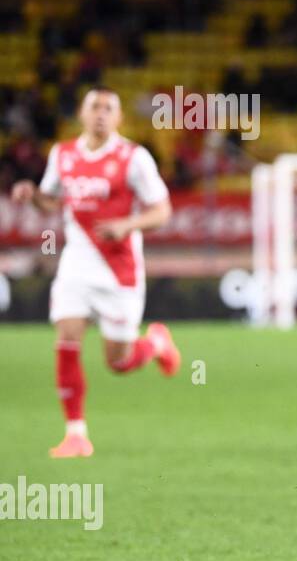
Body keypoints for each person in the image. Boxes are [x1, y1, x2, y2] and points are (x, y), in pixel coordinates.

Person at [9, 87, 181, 458]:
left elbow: (163, 210)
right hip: (77, 262)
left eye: (109, 108)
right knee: (66, 338)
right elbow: (51, 202)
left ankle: (155, 344)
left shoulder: (134, 158)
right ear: (82, 114)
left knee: (118, 362)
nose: (101, 113)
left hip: (119, 269)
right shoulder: (63, 154)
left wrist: (127, 225)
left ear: (118, 118)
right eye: (94, 107)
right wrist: (32, 194)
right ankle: (76, 434)